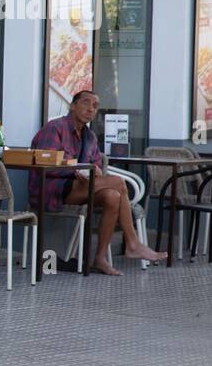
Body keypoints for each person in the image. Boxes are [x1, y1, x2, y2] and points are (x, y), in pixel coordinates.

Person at [29, 90, 165, 274]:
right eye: (85, 103)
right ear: (73, 105)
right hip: (52, 190)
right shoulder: (55, 128)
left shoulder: (90, 137)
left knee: (112, 196)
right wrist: (75, 169)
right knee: (118, 182)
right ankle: (133, 243)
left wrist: (94, 170)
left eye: (95, 106)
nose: (90, 109)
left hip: (80, 189)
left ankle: (100, 259)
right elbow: (45, 162)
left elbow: (95, 167)